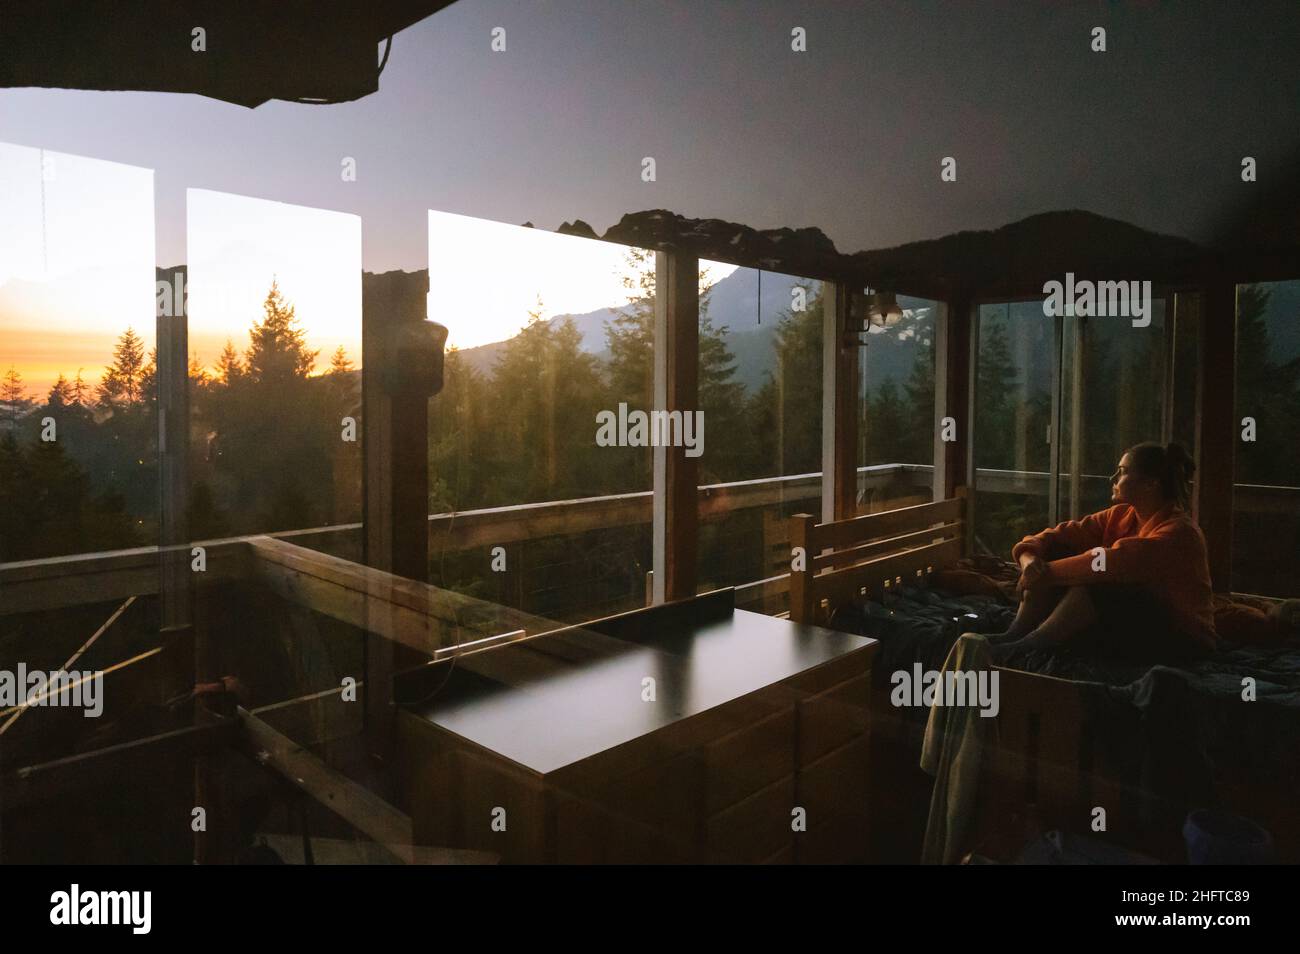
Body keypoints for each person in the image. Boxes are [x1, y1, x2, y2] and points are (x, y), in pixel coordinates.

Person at [989, 441, 1216, 662]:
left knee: (1098, 584)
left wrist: (1041, 574)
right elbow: (1054, 537)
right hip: (1135, 625)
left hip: (1181, 640)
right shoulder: (1121, 515)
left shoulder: (1178, 533)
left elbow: (1108, 563)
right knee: (1052, 554)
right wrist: (1028, 560)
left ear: (1150, 484)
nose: (1112, 478)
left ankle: (1030, 645)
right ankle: (1015, 634)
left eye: (1122, 472)